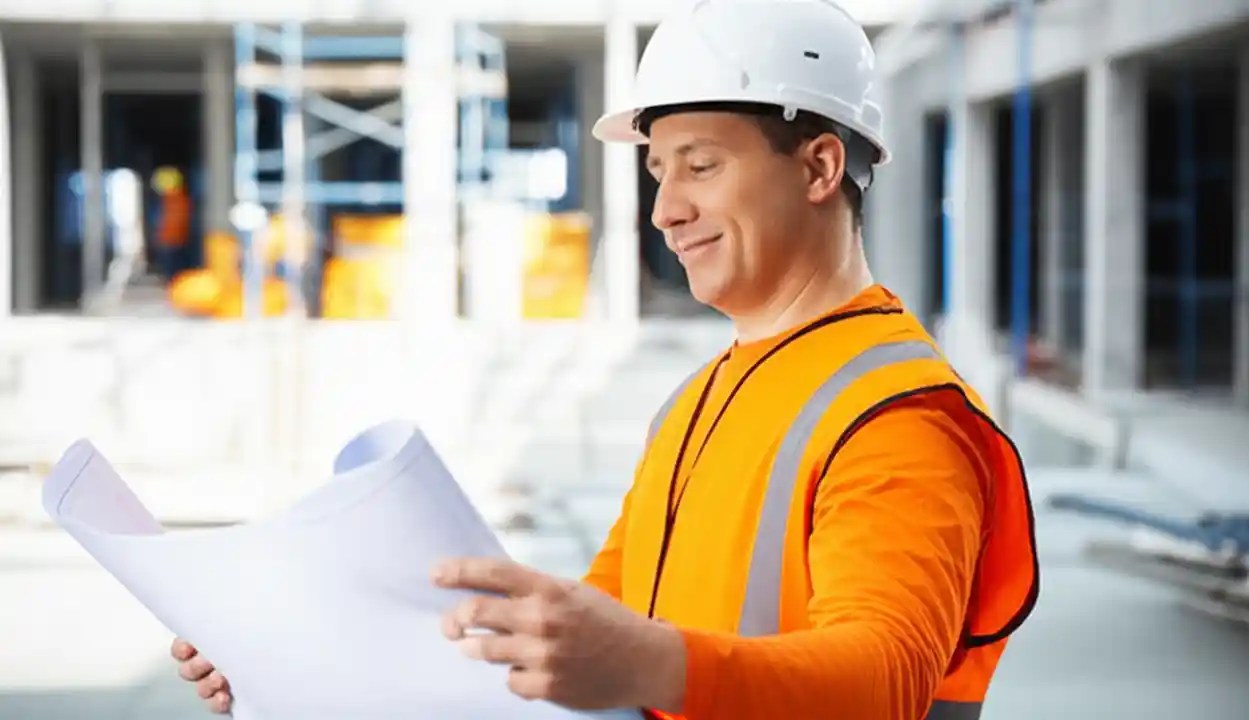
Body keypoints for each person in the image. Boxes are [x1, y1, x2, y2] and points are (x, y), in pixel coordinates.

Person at [171, 1, 1039, 717]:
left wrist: (652, 665)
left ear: (819, 167)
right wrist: (301, 657)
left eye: (700, 166)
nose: (666, 211)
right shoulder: (707, 397)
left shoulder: (896, 416)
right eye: (659, 172)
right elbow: (593, 630)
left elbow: (885, 680)